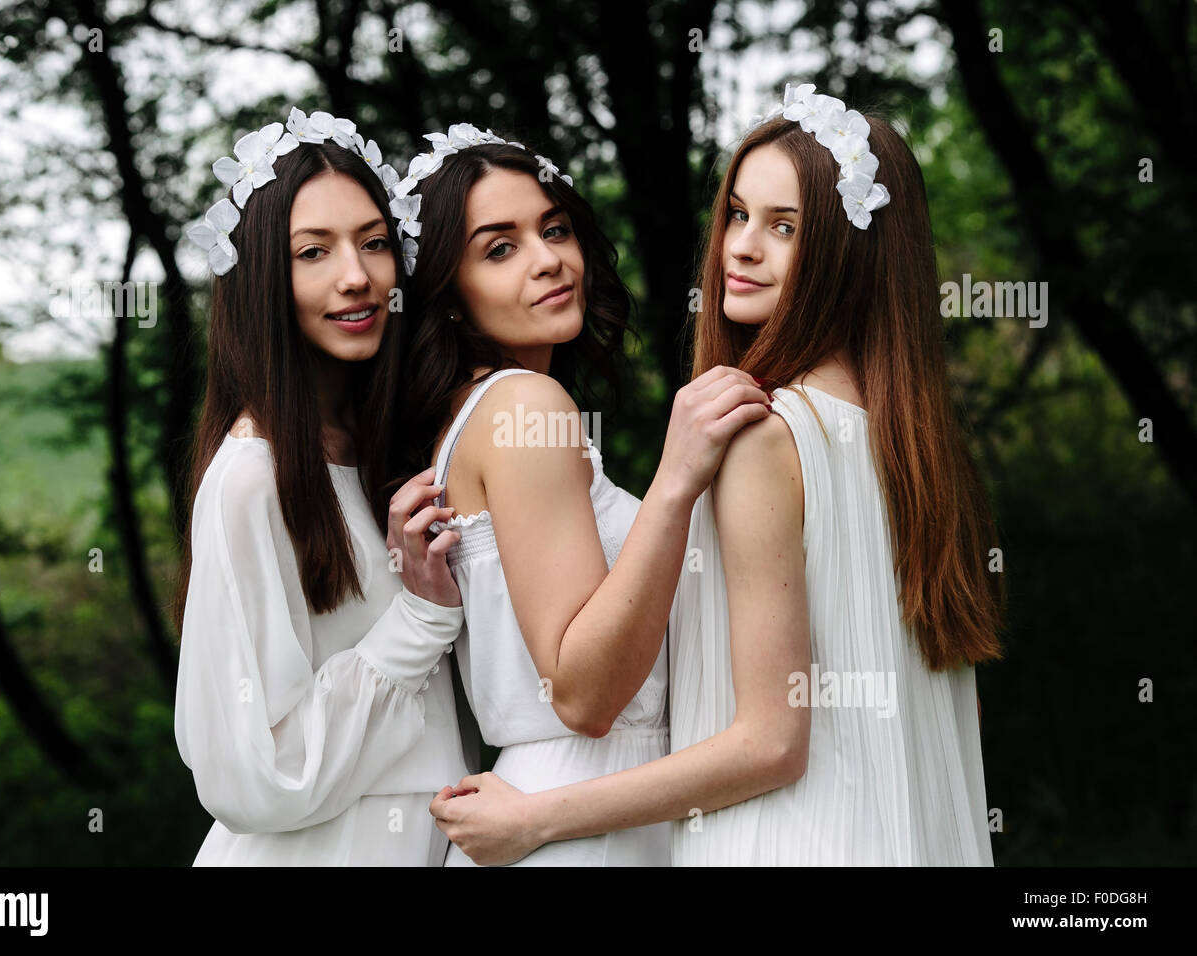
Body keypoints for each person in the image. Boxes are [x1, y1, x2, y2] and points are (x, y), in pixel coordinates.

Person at [430, 87, 1003, 866]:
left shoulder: (764, 436)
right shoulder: (916, 449)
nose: (739, 248)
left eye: (784, 227)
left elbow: (770, 742)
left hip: (779, 839)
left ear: (845, 251)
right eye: (736, 214)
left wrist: (536, 817)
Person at [391, 125, 772, 865]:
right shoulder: (524, 407)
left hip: (582, 811)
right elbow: (584, 696)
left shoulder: (482, 414)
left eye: (554, 228)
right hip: (573, 824)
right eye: (500, 249)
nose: (548, 261)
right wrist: (676, 481)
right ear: (449, 296)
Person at [172, 109, 471, 866]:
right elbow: (253, 774)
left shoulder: (393, 450)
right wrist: (421, 621)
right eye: (314, 251)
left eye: (374, 242)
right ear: (265, 279)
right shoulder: (250, 480)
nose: (356, 275)